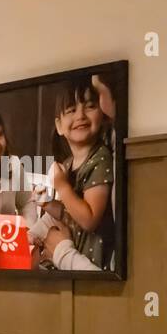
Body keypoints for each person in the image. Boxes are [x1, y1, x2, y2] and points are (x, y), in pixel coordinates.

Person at [44, 76, 116, 271]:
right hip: (71, 265)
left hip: (93, 268)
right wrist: (49, 205)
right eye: (71, 110)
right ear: (59, 126)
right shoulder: (68, 164)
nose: (80, 115)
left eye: (90, 106)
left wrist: (61, 186)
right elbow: (71, 213)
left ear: (102, 114)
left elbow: (89, 219)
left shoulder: (100, 158)